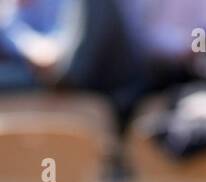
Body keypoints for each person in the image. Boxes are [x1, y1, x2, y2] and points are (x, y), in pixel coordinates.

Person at [0, 0, 145, 108]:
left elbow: (68, 74)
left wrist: (42, 59)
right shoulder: (17, 7)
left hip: (108, 106)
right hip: (50, 96)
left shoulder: (93, 5)